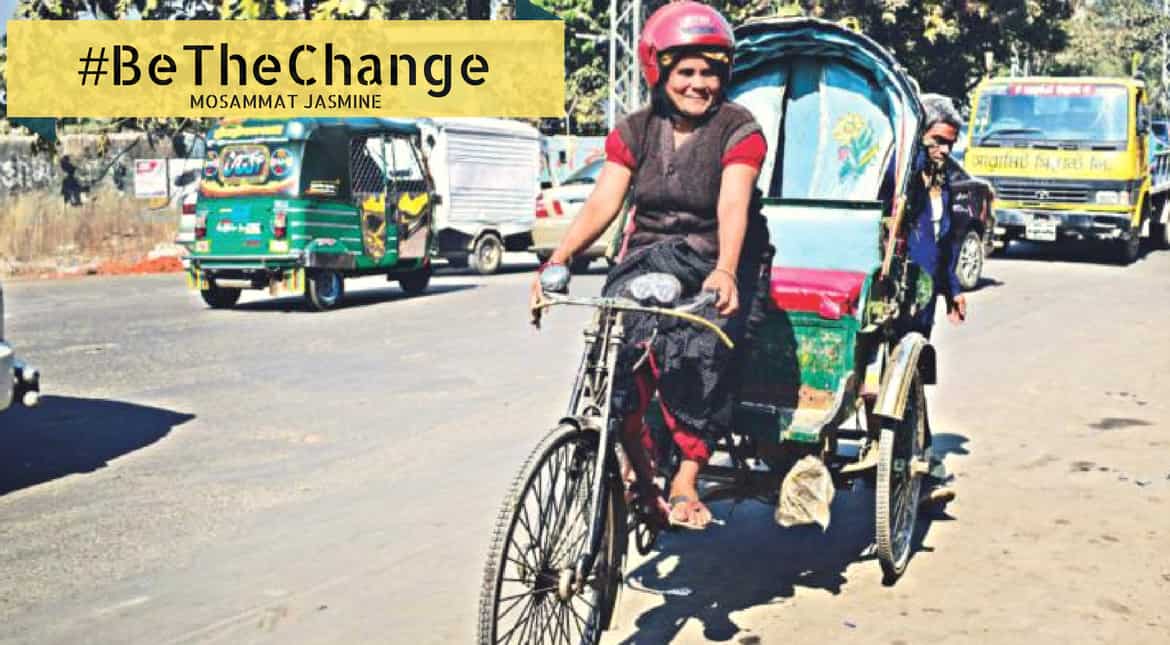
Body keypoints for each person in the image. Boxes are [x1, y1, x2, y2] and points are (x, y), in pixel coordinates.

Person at [528, 0, 772, 530]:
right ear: (659, 71)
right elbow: (603, 201)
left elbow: (733, 204)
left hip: (719, 259)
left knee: (701, 349)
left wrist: (726, 269)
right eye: (687, 72)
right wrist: (558, 260)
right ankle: (642, 476)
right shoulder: (635, 129)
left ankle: (686, 478)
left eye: (710, 72)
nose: (699, 84)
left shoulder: (740, 129)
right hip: (647, 255)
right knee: (617, 356)